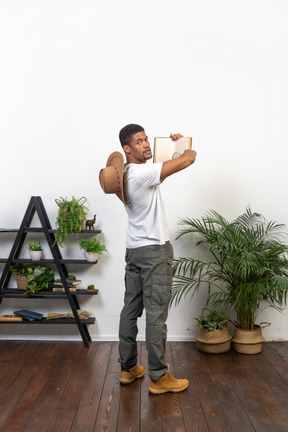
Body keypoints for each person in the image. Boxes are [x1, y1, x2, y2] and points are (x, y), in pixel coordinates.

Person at [117, 124, 197, 394]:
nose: (146, 145)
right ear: (127, 149)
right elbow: (189, 159)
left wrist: (169, 150)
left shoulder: (126, 174)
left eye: (147, 140)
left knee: (130, 309)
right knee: (156, 315)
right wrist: (184, 146)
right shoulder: (143, 173)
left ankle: (128, 369)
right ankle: (159, 377)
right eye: (139, 142)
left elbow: (161, 169)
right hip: (154, 252)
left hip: (134, 250)